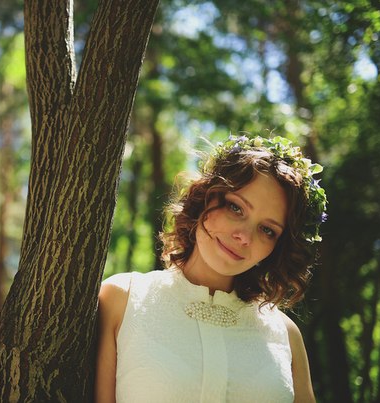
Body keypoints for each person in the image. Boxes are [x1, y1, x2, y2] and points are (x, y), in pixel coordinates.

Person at [95, 135, 327, 403]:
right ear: (205, 197)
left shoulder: (285, 334)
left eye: (267, 230)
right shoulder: (122, 299)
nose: (244, 236)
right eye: (236, 208)